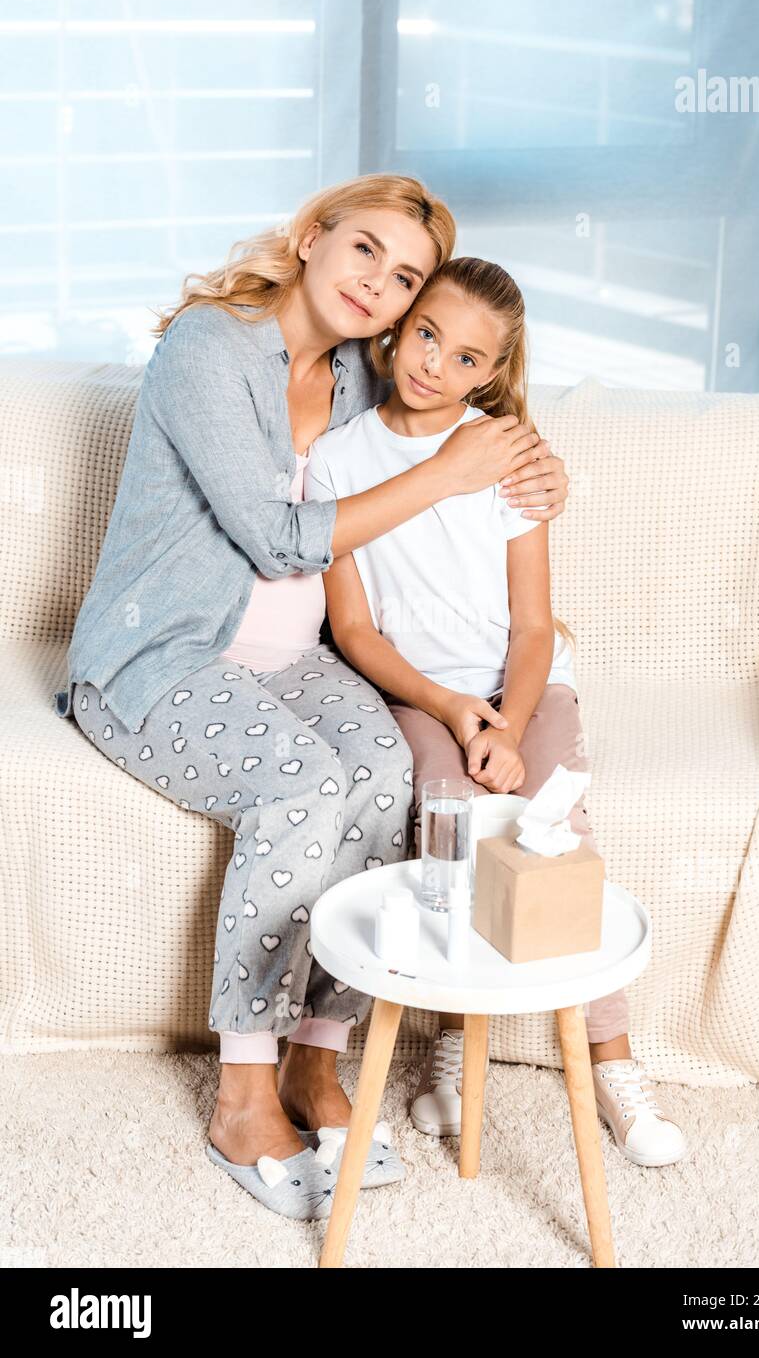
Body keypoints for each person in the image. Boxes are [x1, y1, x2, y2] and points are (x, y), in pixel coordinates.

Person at [53, 174, 572, 1219]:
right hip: (160, 660)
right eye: (367, 250)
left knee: (383, 774)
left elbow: (445, 411)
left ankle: (315, 1059)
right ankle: (241, 1095)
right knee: (299, 785)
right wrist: (452, 473)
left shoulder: (350, 374)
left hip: (295, 661)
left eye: (406, 276)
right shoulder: (210, 348)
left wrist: (529, 466)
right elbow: (278, 535)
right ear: (310, 237)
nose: (381, 285)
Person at [305, 256, 687, 1170]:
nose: (435, 364)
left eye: (466, 358)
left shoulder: (512, 459)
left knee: (557, 830)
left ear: (491, 372)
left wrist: (508, 729)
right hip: (415, 693)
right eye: (426, 334)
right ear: (399, 328)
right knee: (443, 825)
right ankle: (450, 1036)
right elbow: (353, 628)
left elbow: (529, 625)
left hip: (519, 689)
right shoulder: (338, 459)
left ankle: (611, 1062)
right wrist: (451, 711)